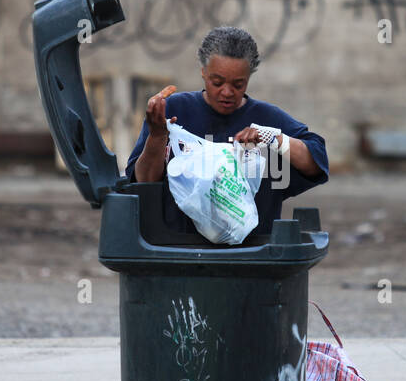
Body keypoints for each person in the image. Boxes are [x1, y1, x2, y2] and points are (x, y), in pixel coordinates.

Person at [123, 26, 328, 237]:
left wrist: (273, 138)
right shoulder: (174, 110)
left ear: (249, 77)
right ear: (203, 71)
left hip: (253, 256)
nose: (227, 92)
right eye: (217, 82)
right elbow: (144, 182)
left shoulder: (267, 118)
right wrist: (157, 136)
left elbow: (316, 163)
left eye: (238, 84)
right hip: (179, 250)